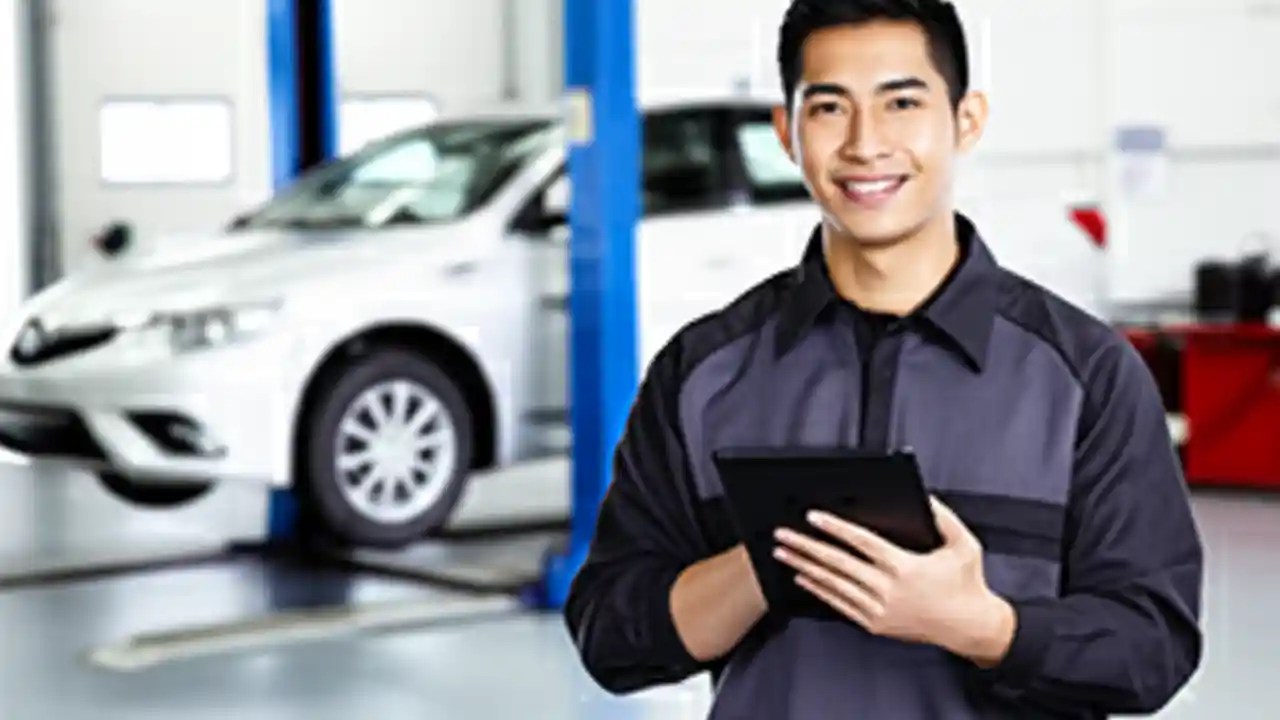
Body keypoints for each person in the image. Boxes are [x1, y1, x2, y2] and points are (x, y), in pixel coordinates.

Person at [562, 0, 1204, 717]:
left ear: (966, 121)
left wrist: (981, 626)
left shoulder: (1086, 376)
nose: (866, 143)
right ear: (787, 132)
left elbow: (1154, 649)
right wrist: (770, 564)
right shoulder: (703, 372)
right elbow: (611, 634)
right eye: (830, 107)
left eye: (901, 102)